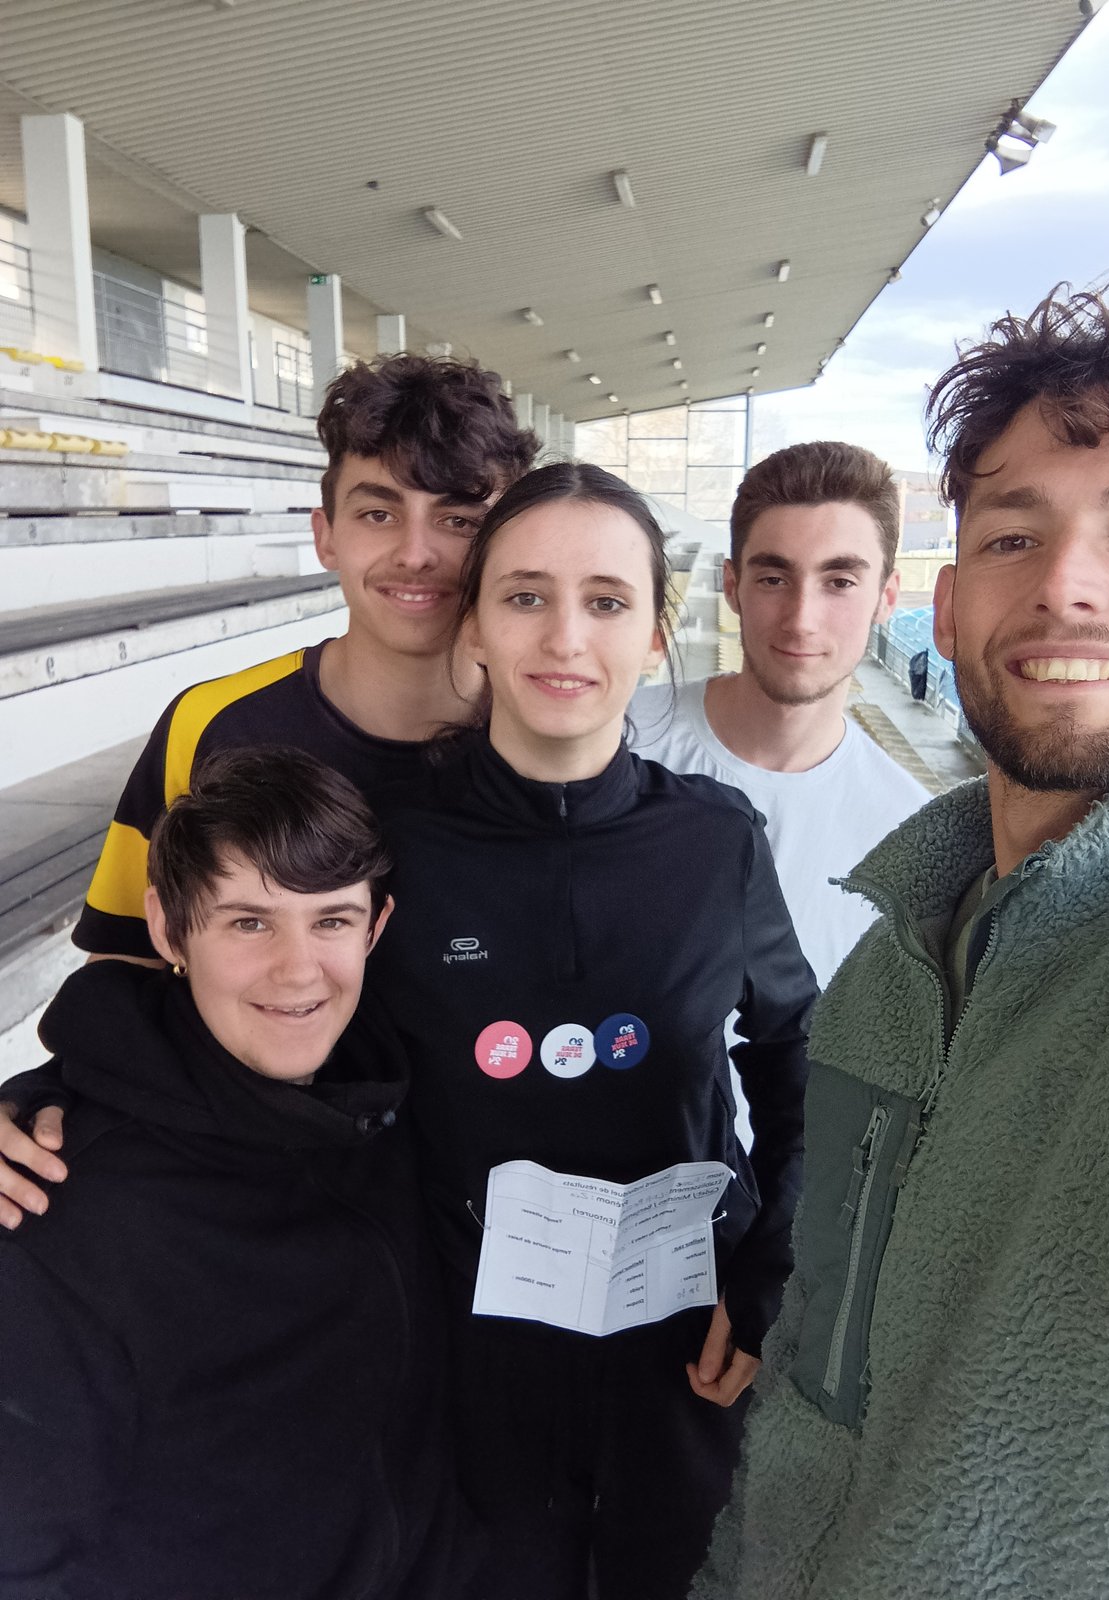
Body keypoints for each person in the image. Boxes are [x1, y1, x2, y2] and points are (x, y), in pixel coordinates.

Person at [691, 283, 1109, 1600]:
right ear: (953, 597)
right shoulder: (892, 957)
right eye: (1016, 535)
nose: (1069, 586)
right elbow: (817, 1368)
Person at [357, 461, 817, 1600]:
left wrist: (771, 1272)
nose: (566, 635)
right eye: (524, 595)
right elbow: (270, 1019)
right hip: (472, 1349)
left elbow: (800, 1049)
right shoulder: (391, 845)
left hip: (687, 1340)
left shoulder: (713, 839)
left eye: (607, 600)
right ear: (472, 625)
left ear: (658, 633)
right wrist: (70, 1095)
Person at [0, 353, 537, 1223]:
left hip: (489, 1193)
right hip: (264, 1200)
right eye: (377, 511)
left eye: (460, 518)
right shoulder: (211, 726)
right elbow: (131, 963)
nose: (417, 552)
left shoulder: (543, 740)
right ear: (325, 532)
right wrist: (39, 1096)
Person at [0, 746, 471, 1598]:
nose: (298, 971)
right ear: (168, 929)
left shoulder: (392, 1102)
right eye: (249, 922)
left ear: (377, 928)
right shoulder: (55, 1204)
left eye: (330, 920)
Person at [629, 441, 929, 989]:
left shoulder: (911, 837)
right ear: (731, 585)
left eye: (839, 582)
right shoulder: (616, 740)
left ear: (886, 598)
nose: (802, 620)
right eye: (774, 578)